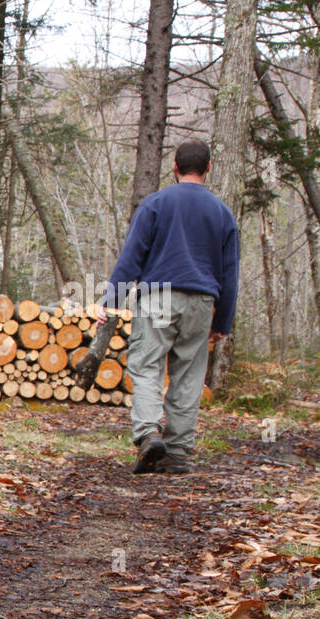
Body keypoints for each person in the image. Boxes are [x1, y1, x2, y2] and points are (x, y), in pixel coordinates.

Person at [101, 140, 239, 475]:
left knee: (147, 365)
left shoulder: (156, 204)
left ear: (174, 167)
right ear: (208, 169)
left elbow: (132, 257)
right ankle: (177, 452)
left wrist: (112, 301)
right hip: (202, 300)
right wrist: (223, 321)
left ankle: (149, 432)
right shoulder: (222, 213)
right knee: (189, 375)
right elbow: (230, 271)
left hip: (158, 295)